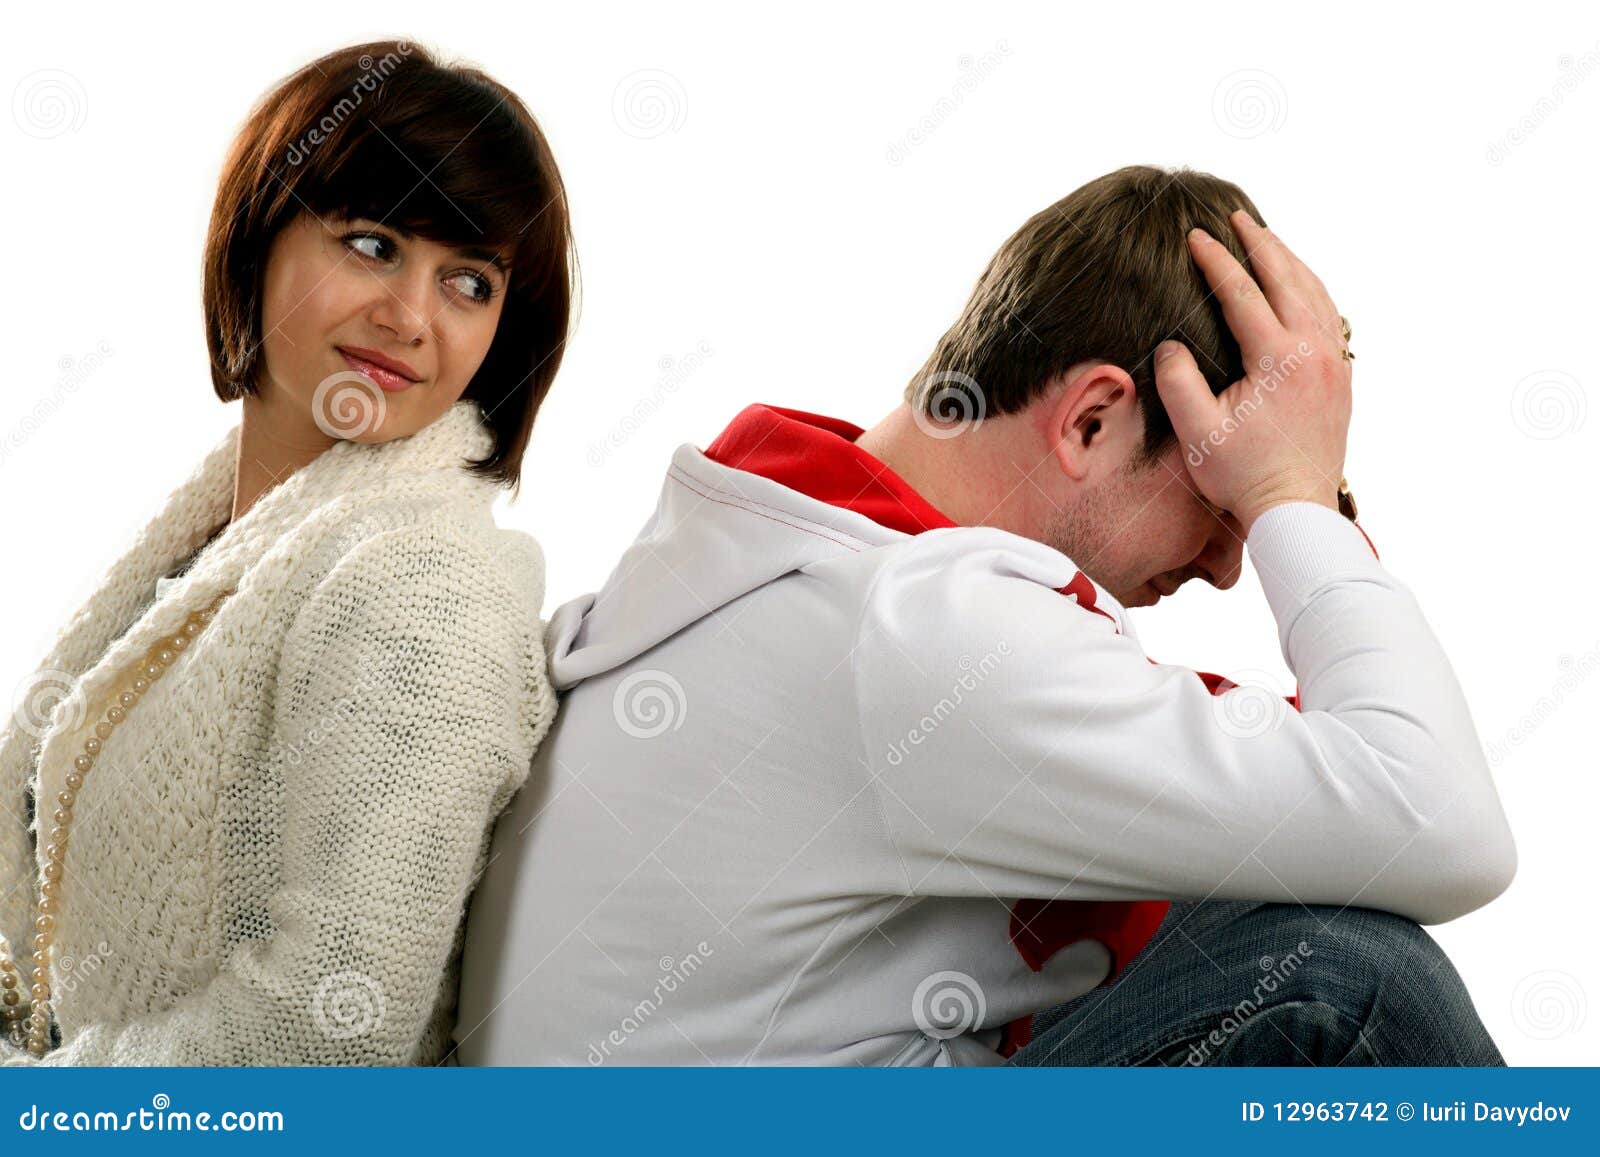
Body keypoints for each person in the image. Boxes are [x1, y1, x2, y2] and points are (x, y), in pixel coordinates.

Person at [453, 165, 1515, 1066]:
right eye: (1223, 498)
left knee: (1262, 899)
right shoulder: (924, 627)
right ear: (1094, 420)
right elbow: (1435, 816)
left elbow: (1339, 792)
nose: (1232, 564)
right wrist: (1297, 498)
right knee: (1346, 973)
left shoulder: (796, 557)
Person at [0, 39, 576, 1064]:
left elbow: (328, 1026)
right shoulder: (217, 538)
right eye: (370, 243)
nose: (409, 317)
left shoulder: (423, 581)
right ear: (258, 238)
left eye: (470, 282)